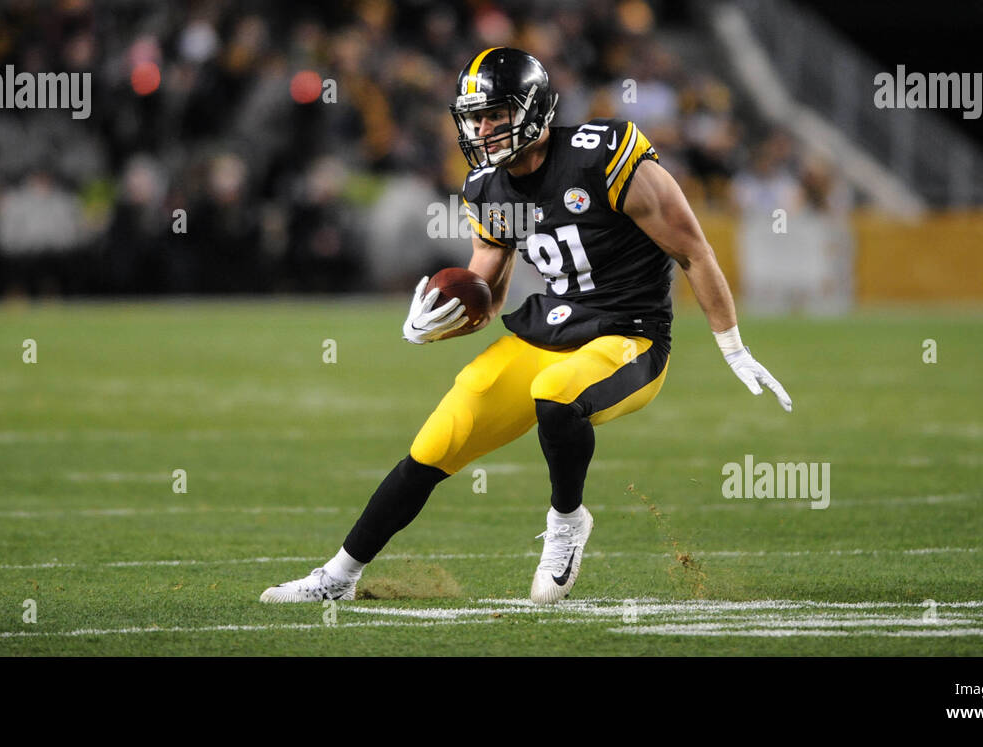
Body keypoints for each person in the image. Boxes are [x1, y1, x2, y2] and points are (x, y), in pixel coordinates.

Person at [261, 47, 791, 604]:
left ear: (534, 110)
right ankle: (338, 576)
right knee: (437, 440)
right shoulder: (489, 189)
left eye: (497, 115)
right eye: (477, 118)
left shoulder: (603, 156)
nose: (484, 130)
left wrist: (732, 346)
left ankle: (567, 523)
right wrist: (436, 321)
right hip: (547, 333)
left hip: (628, 336)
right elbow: (486, 298)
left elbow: (695, 253)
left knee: (556, 394)